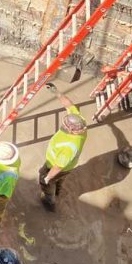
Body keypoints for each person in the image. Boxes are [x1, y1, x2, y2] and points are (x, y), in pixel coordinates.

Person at [38, 83, 87, 211]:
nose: (63, 126)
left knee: (47, 181)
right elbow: (69, 105)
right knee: (59, 181)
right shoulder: (79, 121)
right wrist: (56, 92)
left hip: (56, 167)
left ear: (72, 130)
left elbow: (58, 166)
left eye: (65, 127)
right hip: (67, 167)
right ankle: (57, 190)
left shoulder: (70, 147)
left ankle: (50, 200)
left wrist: (47, 177)